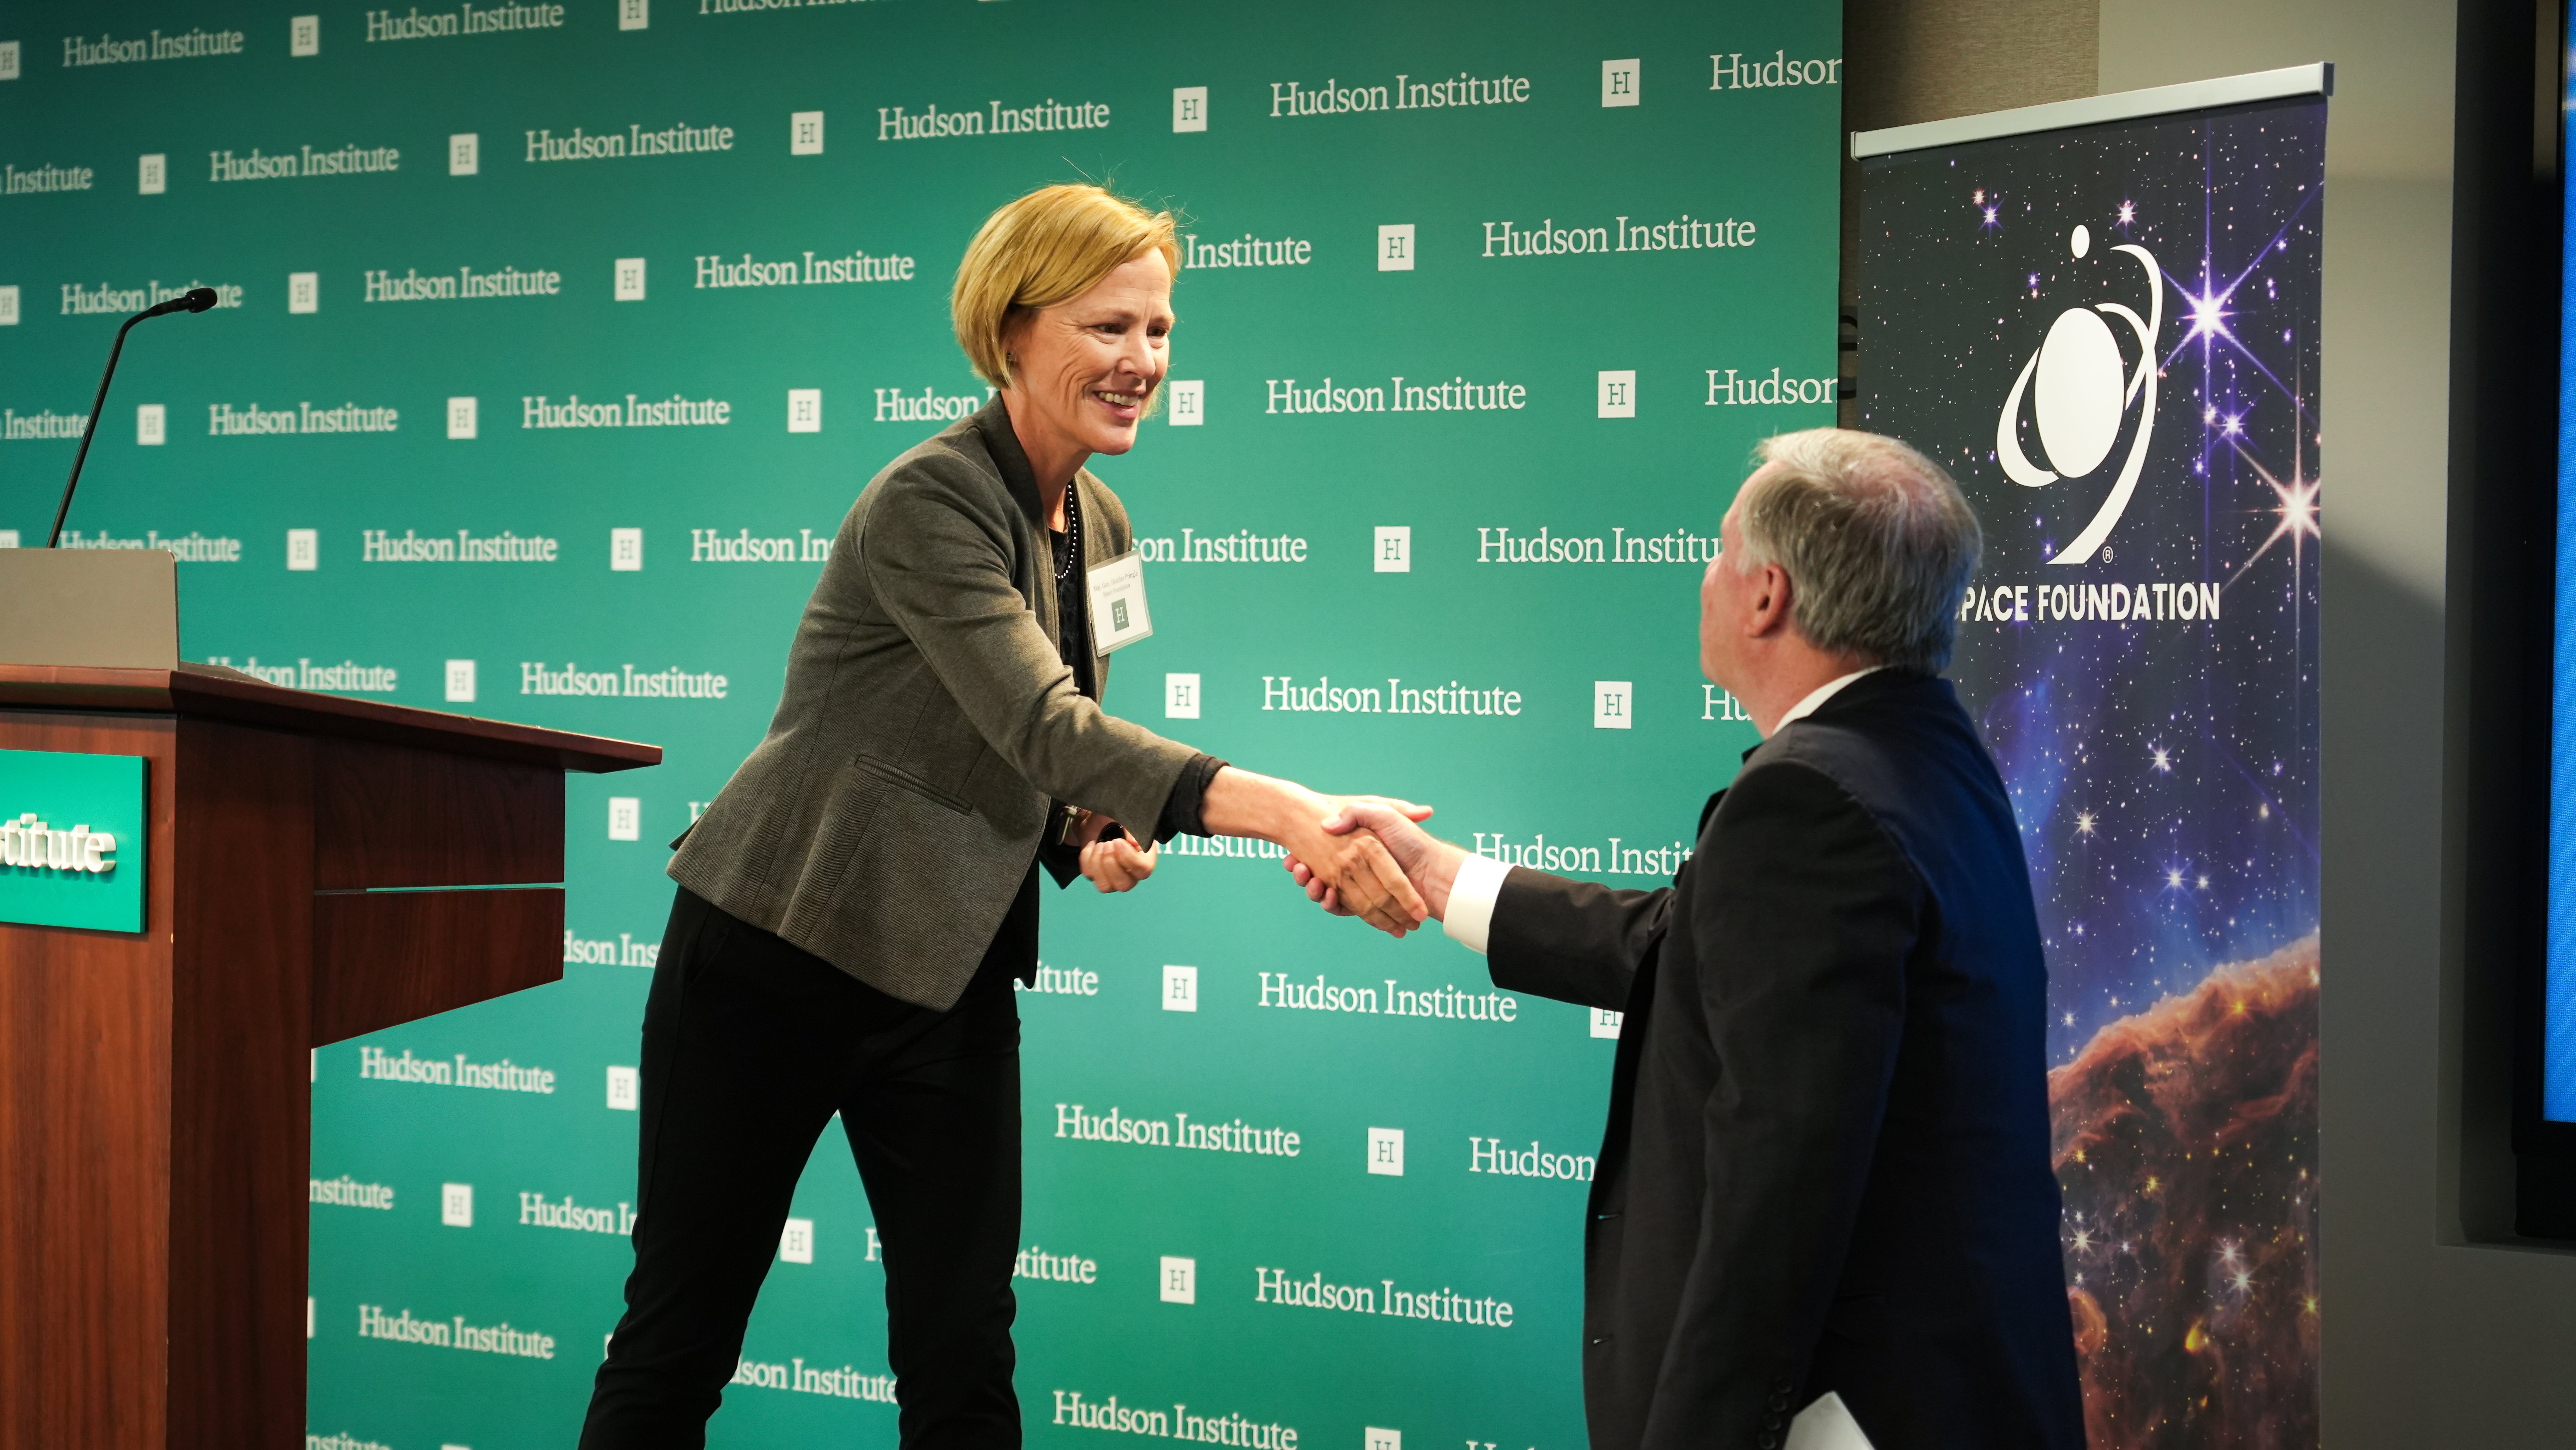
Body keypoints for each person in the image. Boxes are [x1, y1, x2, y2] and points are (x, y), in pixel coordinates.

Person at [578, 183, 1426, 1450]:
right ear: (1013, 332)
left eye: (1160, 330)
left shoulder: (1104, 523)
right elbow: (1046, 724)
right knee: (680, 1339)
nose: (1142, 362)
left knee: (964, 1352)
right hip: (774, 952)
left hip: (948, 970)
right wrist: (1286, 813)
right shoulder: (931, 500)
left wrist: (1088, 833)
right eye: (1107, 328)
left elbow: (1056, 746)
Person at [1296, 429, 2084, 1450]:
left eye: (1719, 550)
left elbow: (1776, 1202)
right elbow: (1689, 948)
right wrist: (1435, 871)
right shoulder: (1922, 754)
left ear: (1767, 597)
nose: (1703, 578)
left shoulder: (1807, 801)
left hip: (1846, 1414)